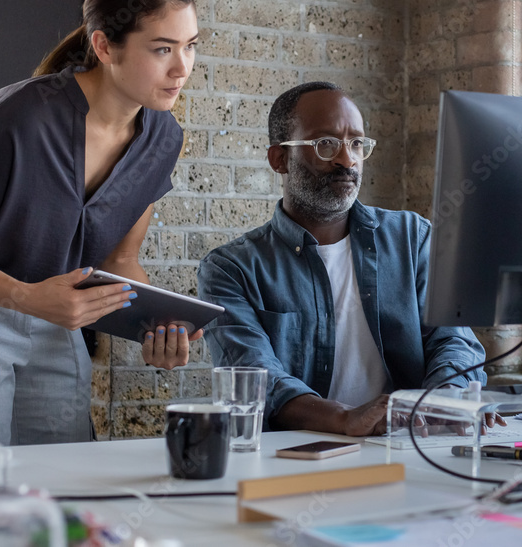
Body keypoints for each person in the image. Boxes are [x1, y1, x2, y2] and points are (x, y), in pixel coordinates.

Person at [0, 0, 202, 445]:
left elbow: (121, 258)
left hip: (61, 323)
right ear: (105, 46)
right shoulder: (21, 116)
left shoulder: (163, 138)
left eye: (190, 47)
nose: (182, 68)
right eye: (162, 49)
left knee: (61, 487)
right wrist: (26, 297)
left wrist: (156, 325)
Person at [199, 82, 501, 436]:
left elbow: (454, 341)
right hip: (298, 458)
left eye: (357, 143)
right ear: (279, 159)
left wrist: (444, 403)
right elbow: (253, 377)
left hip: (410, 444)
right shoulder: (231, 268)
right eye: (325, 144)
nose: (347, 160)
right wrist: (346, 419)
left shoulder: (412, 238)